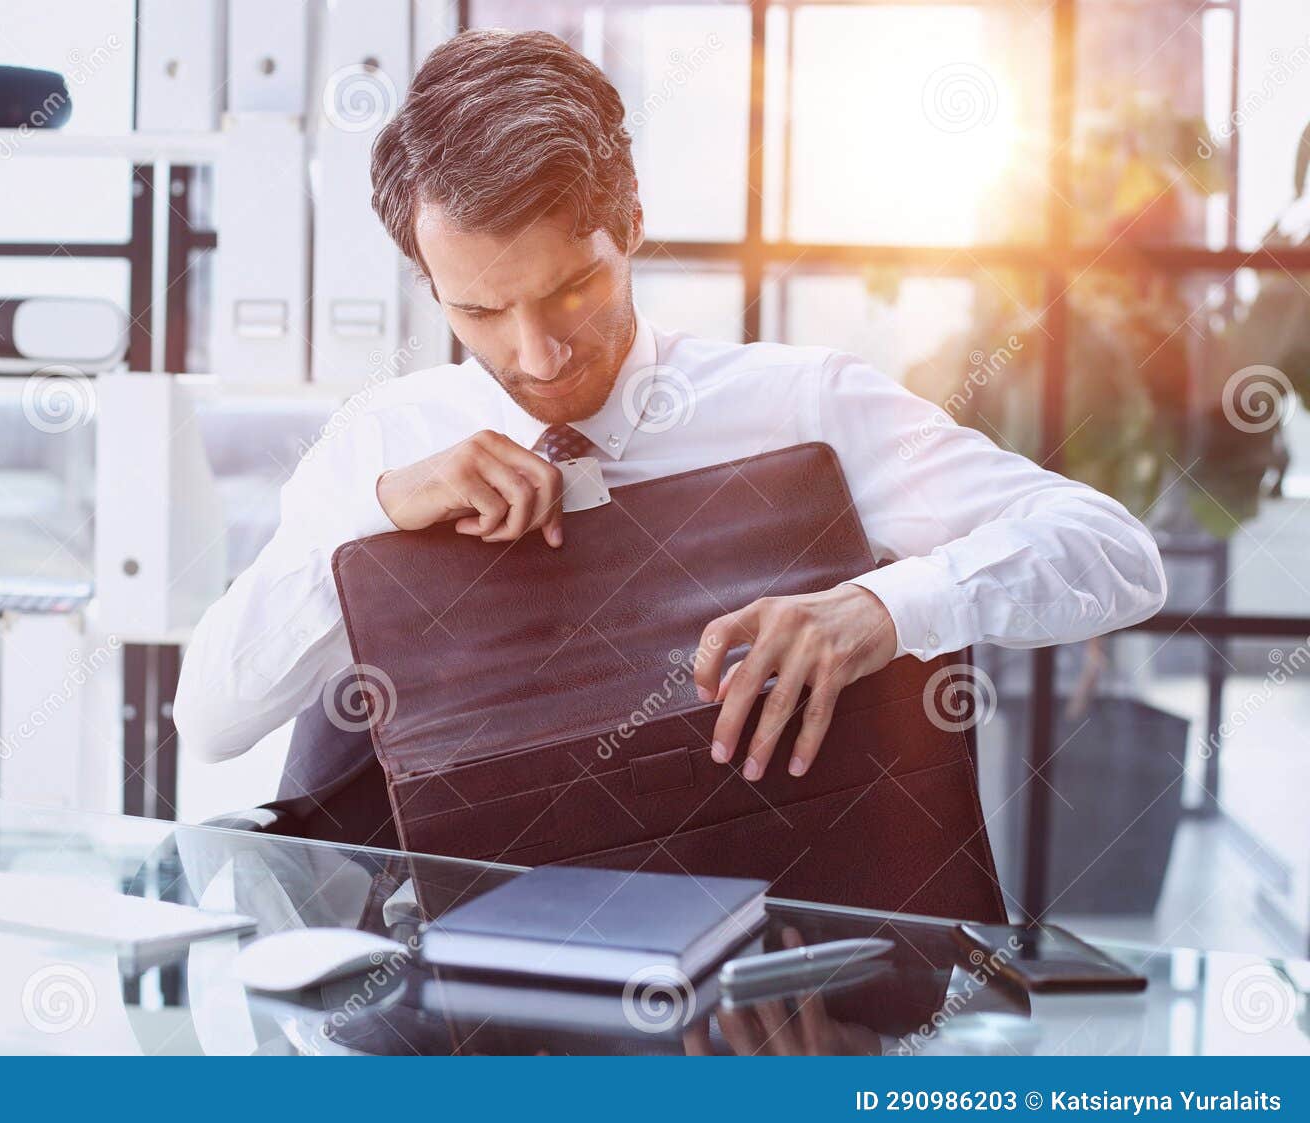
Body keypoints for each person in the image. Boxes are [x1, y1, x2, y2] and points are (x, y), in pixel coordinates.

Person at [173, 29, 1166, 847]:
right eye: (478, 311)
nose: (540, 354)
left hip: (759, 976)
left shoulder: (799, 407)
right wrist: (374, 516)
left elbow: (1115, 553)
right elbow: (212, 721)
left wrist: (885, 606)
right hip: (451, 993)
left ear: (632, 222)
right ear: (432, 287)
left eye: (573, 288)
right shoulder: (385, 443)